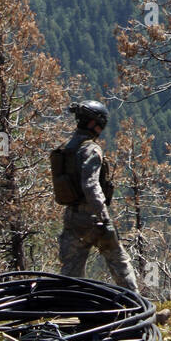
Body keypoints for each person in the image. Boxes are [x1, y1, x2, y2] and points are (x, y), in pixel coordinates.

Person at [57, 100, 139, 291]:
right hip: (93, 218)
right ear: (95, 123)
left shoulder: (67, 148)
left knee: (71, 270)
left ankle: (69, 310)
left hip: (72, 217)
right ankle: (139, 308)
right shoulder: (91, 149)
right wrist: (104, 218)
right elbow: (91, 185)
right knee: (119, 262)